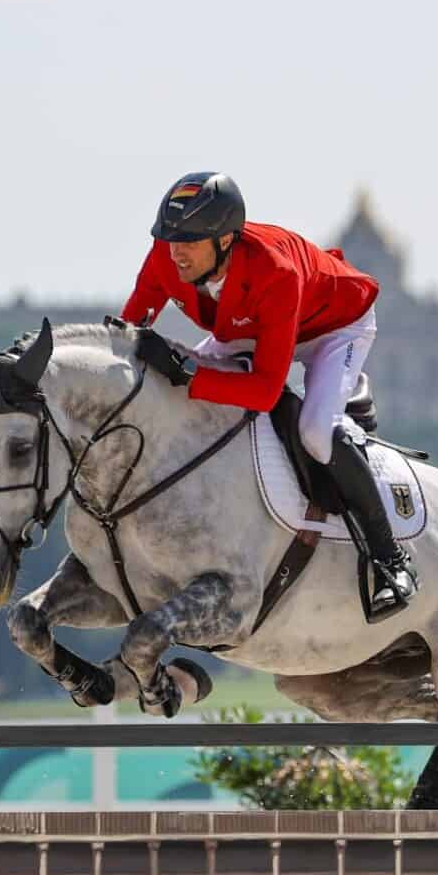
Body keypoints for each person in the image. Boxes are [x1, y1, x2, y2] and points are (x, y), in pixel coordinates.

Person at [120, 171, 417, 617]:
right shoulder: (168, 257)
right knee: (181, 396)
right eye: (168, 238)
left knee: (316, 432)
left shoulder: (274, 272)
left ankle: (390, 558)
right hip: (253, 325)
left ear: (224, 241)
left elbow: (263, 390)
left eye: (187, 241)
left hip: (335, 328)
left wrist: (187, 374)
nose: (174, 251)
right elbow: (127, 334)